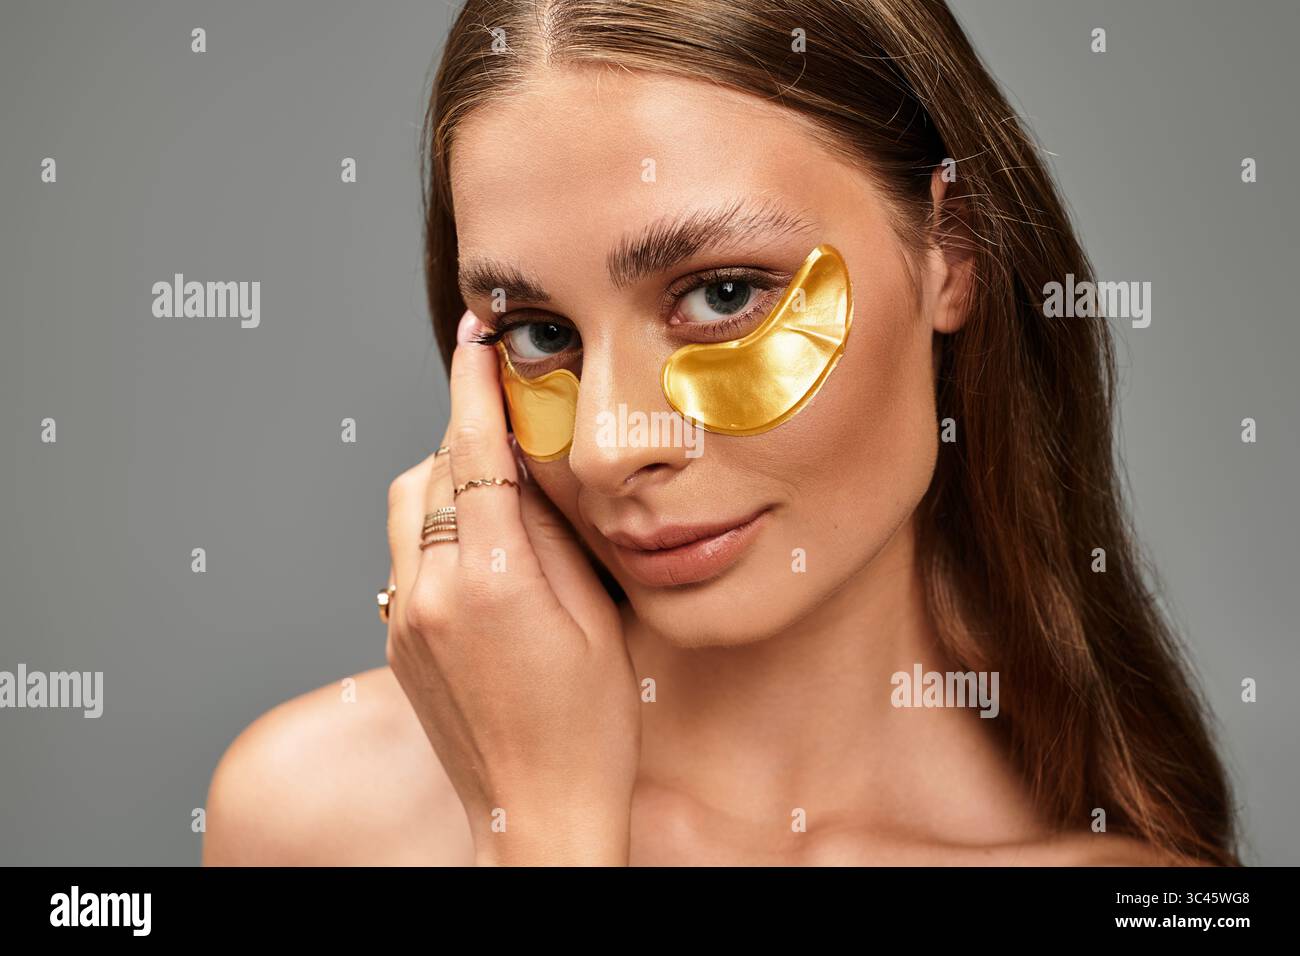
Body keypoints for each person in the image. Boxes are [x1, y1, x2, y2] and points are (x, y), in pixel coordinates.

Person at [202, 0, 1238, 866]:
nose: (609, 442)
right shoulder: (310, 814)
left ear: (949, 253)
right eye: (538, 331)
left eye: (723, 293)